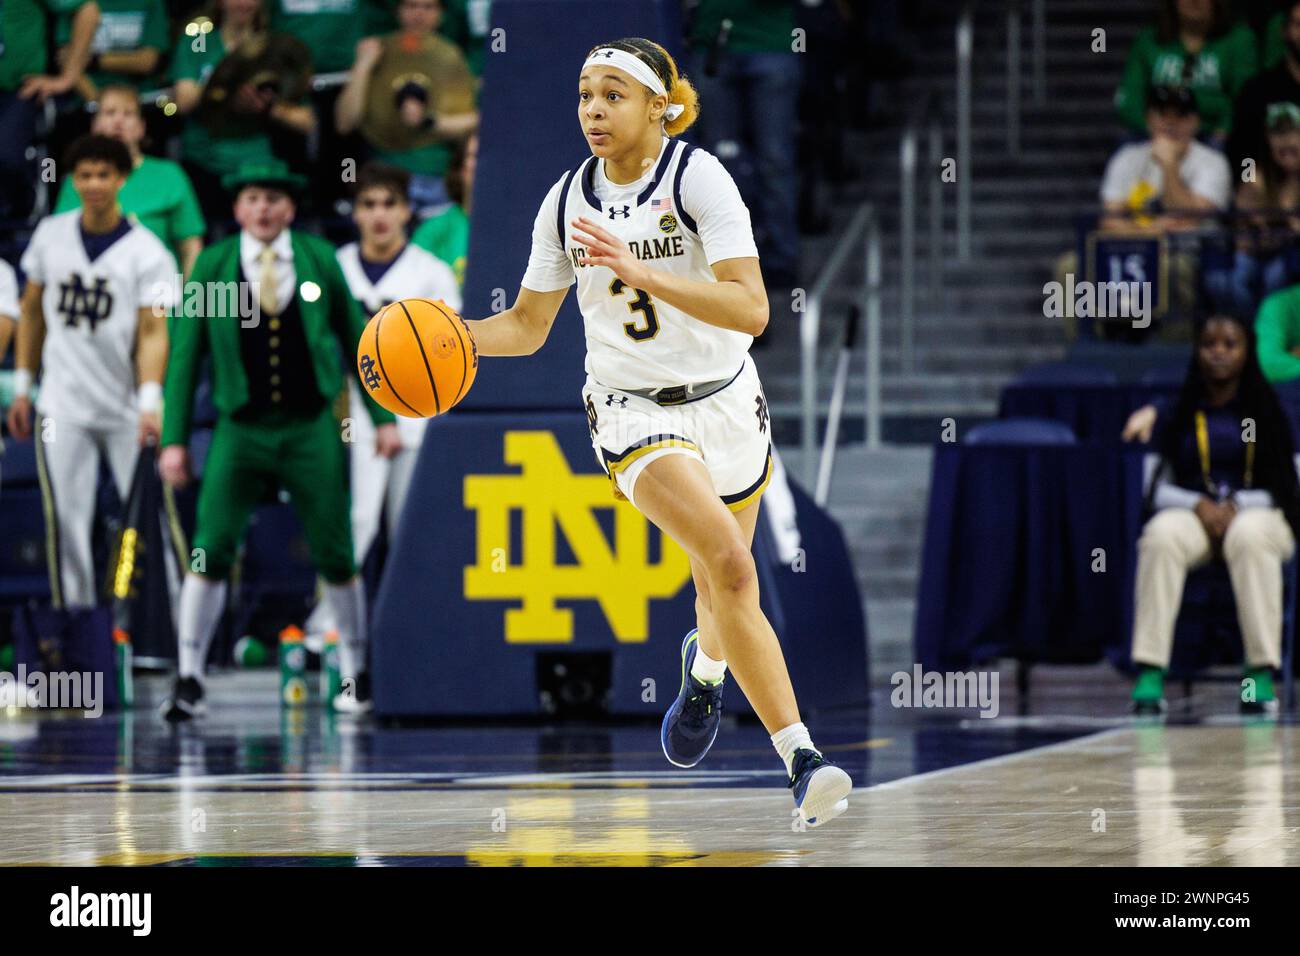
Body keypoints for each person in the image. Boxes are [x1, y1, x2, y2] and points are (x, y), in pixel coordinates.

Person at [443, 37, 852, 826]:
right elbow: (528, 328)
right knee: (733, 568)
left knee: (716, 588)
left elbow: (753, 310)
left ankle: (703, 673)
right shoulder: (565, 200)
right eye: (584, 95)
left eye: (612, 94)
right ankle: (803, 760)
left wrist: (642, 270)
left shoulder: (698, 178)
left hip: (729, 396)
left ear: (658, 104)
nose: (593, 109)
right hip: (633, 410)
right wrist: (447, 335)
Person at [157, 159, 400, 720]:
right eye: (252, 199)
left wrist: (382, 416)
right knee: (209, 546)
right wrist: (173, 439)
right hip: (239, 427)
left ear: (289, 208)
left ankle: (355, 671)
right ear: (238, 209)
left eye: (273, 198)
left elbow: (357, 339)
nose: (263, 208)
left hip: (309, 424)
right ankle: (189, 675)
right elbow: (184, 358)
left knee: (337, 548)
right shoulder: (213, 267)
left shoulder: (318, 260)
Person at [4, 134, 176, 612]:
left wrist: (148, 402)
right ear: (72, 180)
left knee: (149, 519)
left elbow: (152, 331)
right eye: (84, 174)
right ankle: (80, 632)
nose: (94, 183)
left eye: (104, 174)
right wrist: (22, 387)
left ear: (122, 179)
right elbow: (32, 313)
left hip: (125, 407)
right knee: (66, 523)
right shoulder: (50, 235)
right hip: (63, 404)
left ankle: (161, 633)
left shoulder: (148, 251)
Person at [304, 162, 459, 643]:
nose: (379, 215)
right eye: (369, 204)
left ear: (407, 211)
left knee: (410, 531)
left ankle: (410, 632)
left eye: (389, 204)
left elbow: (453, 350)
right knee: (357, 522)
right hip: (344, 418)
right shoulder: (334, 267)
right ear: (355, 212)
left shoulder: (430, 273)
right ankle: (325, 630)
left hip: (418, 417)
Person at [1130, 313, 1300, 716]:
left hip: (1263, 512)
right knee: (1160, 535)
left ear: (1247, 351)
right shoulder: (1178, 411)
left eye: (1230, 344)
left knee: (1249, 536)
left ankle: (1256, 677)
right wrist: (1197, 505)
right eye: (1210, 344)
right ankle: (1150, 674)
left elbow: (1292, 485)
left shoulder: (1270, 410)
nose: (1219, 352)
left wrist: (1239, 505)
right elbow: (1152, 486)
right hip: (1198, 514)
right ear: (1197, 350)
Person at [171, 0, 316, 226]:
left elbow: (306, 122)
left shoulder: (274, 48)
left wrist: (268, 106)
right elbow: (183, 101)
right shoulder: (199, 40)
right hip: (204, 163)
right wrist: (226, 84)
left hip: (260, 164)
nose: (244, 3)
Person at [687, 0, 800, 289]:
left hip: (770, 43)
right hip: (713, 43)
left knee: (774, 159)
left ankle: (781, 258)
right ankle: (726, 257)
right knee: (717, 163)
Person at [334, 0, 478, 212]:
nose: (419, 14)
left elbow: (473, 122)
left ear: (441, 14)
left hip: (437, 179)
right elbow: (344, 123)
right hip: (383, 181)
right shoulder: (375, 52)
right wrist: (363, 66)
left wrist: (427, 121)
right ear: (398, 11)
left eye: (428, 7)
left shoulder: (451, 57)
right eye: (411, 6)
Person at [54, 84, 206, 276]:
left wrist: (188, 302)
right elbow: (60, 243)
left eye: (128, 114)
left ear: (141, 128)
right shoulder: (78, 177)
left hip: (159, 296)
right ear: (95, 125)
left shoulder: (169, 175)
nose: (118, 121)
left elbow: (191, 248)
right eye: (109, 113)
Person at [0, 0, 100, 219]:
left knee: (8, 158)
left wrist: (67, 78)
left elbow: (88, 11)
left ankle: (25, 216)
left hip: (20, 90)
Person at [1115, 0, 1258, 143]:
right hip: (1156, 134)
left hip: (1213, 134)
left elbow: (1245, 98)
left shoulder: (1240, 39)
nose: (1194, 1)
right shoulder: (1149, 40)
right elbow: (1129, 101)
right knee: (1129, 146)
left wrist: (1224, 128)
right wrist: (1153, 128)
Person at [1211, 104, 1300, 316]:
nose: (1286, 140)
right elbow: (1244, 202)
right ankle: (1246, 332)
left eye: (1293, 132)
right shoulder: (1250, 163)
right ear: (1268, 138)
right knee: (1238, 278)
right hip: (1253, 247)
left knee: (1275, 276)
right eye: (1278, 133)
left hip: (1287, 250)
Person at [1226, 0, 1300, 173]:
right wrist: (1249, 180)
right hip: (1271, 192)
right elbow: (1244, 150)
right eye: (1299, 24)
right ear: (1285, 31)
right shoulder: (1258, 90)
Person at [54, 0, 169, 101]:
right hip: (83, 102)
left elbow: (147, 62)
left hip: (139, 101)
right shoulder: (74, 2)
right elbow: (65, 61)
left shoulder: (151, 2)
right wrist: (99, 102)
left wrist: (93, 60)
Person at [411, 130, 474, 286]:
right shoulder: (432, 230)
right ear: (461, 168)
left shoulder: (519, 229)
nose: (481, 164)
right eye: (473, 156)